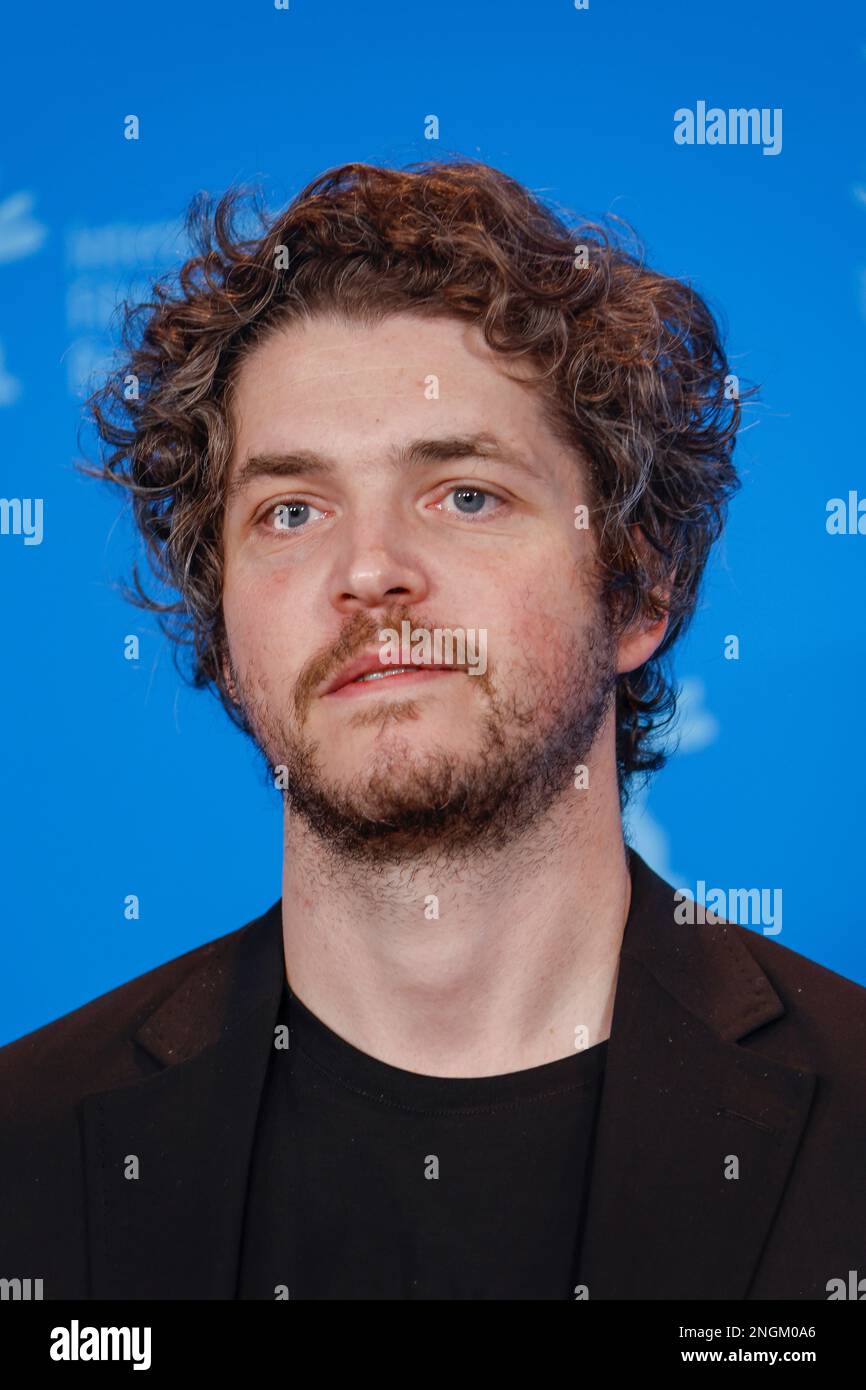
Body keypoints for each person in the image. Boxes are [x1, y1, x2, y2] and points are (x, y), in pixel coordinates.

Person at [2, 159, 864, 1301]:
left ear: (635, 590)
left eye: (463, 493)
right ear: (221, 629)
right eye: (290, 511)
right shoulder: (28, 1146)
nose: (367, 572)